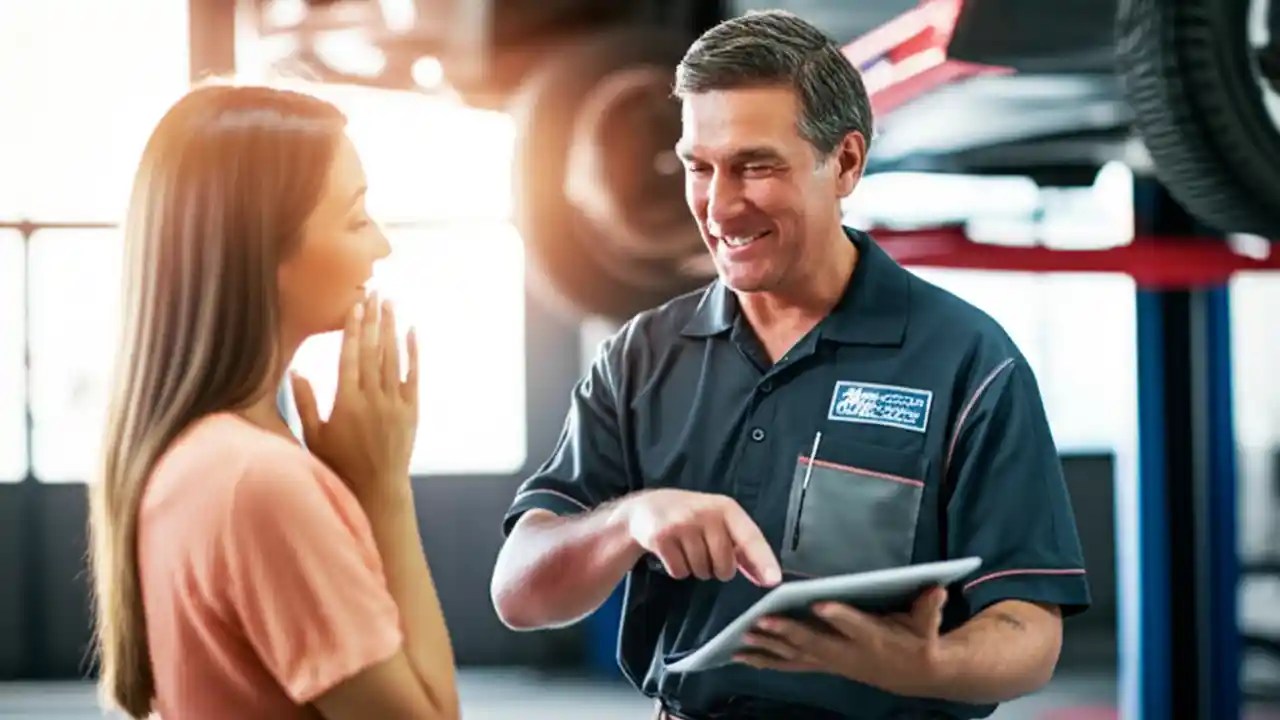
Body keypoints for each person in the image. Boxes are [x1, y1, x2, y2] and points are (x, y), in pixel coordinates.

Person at [491, 10, 1090, 720]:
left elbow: (1030, 631)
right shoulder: (641, 359)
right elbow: (521, 595)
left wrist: (926, 664)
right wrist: (630, 520)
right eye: (699, 167)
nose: (718, 206)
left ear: (845, 163)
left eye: (754, 166)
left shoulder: (967, 362)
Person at [87, 84, 459, 720]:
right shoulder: (261, 482)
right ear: (264, 251)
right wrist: (384, 494)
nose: (381, 246)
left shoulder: (191, 459)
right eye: (355, 218)